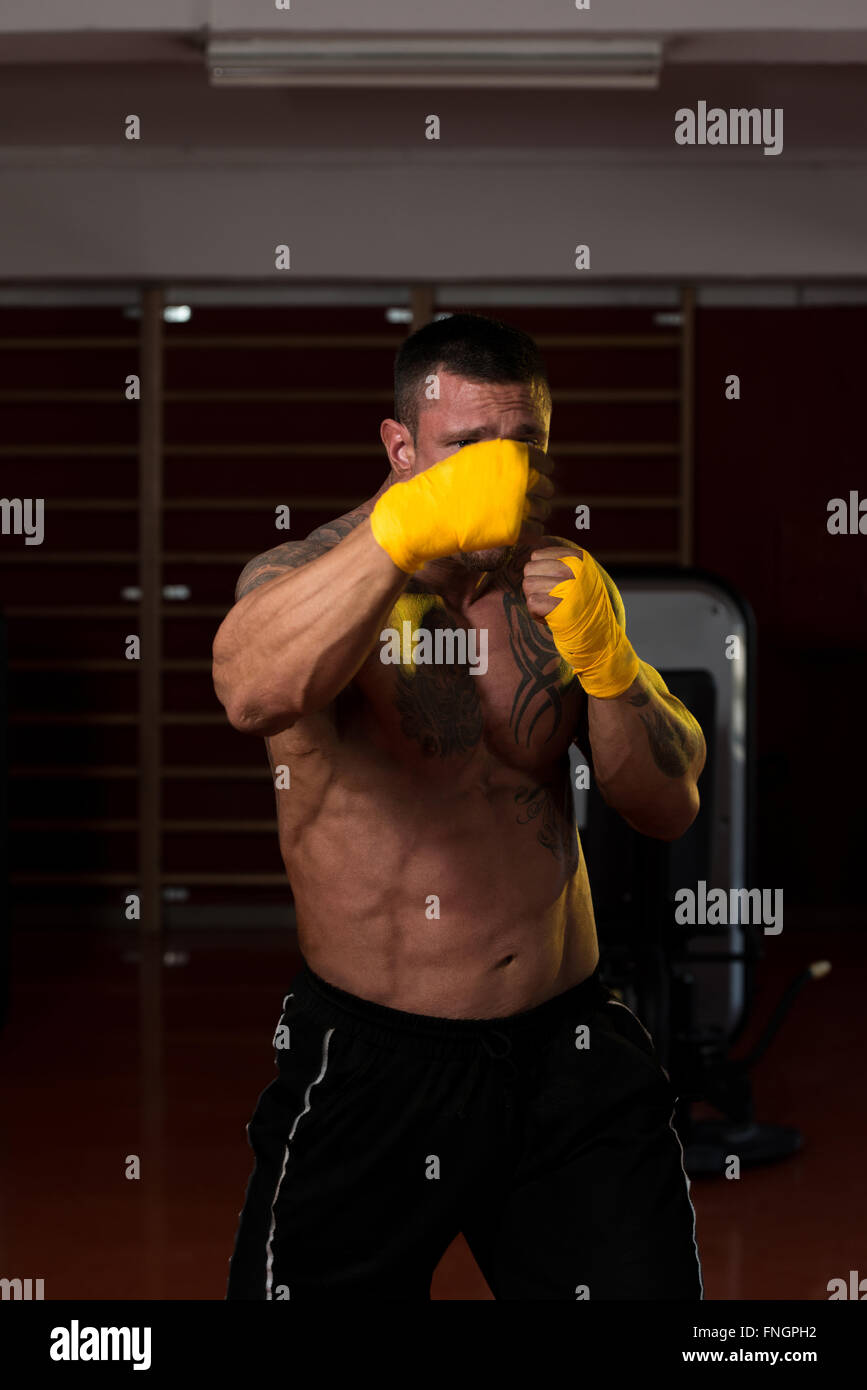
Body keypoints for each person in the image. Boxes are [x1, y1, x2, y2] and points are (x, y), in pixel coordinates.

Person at [213, 312, 706, 1300]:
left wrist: (610, 667)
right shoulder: (310, 579)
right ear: (401, 446)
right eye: (465, 450)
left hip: (567, 1051)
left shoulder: (554, 586)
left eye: (521, 450)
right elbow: (250, 685)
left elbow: (667, 800)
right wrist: (404, 531)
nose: (500, 476)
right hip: (372, 1065)